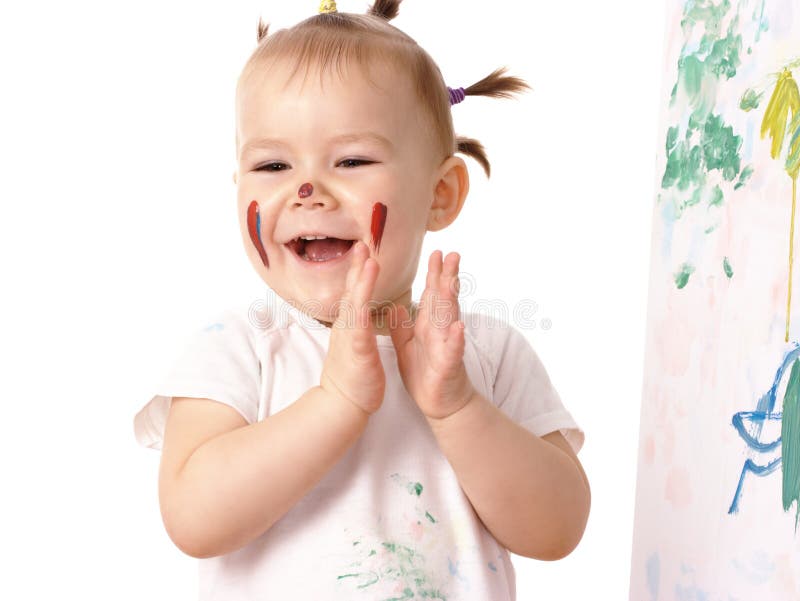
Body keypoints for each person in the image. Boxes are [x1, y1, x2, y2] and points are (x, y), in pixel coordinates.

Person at [133, 1, 590, 598]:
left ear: (441, 193)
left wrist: (457, 410)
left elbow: (557, 529)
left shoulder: (483, 354)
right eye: (271, 164)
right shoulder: (239, 350)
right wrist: (335, 402)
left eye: (351, 160)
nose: (306, 189)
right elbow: (193, 519)